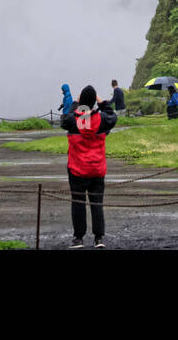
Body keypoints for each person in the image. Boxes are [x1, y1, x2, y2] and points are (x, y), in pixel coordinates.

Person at [61, 85, 117, 248]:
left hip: (77, 169)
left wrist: (75, 102)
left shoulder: (73, 121)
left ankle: (78, 238)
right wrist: (101, 102)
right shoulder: (103, 121)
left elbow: (65, 119)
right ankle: (99, 238)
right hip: (97, 169)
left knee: (78, 202)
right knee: (97, 203)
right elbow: (112, 116)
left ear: (81, 103)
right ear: (93, 102)